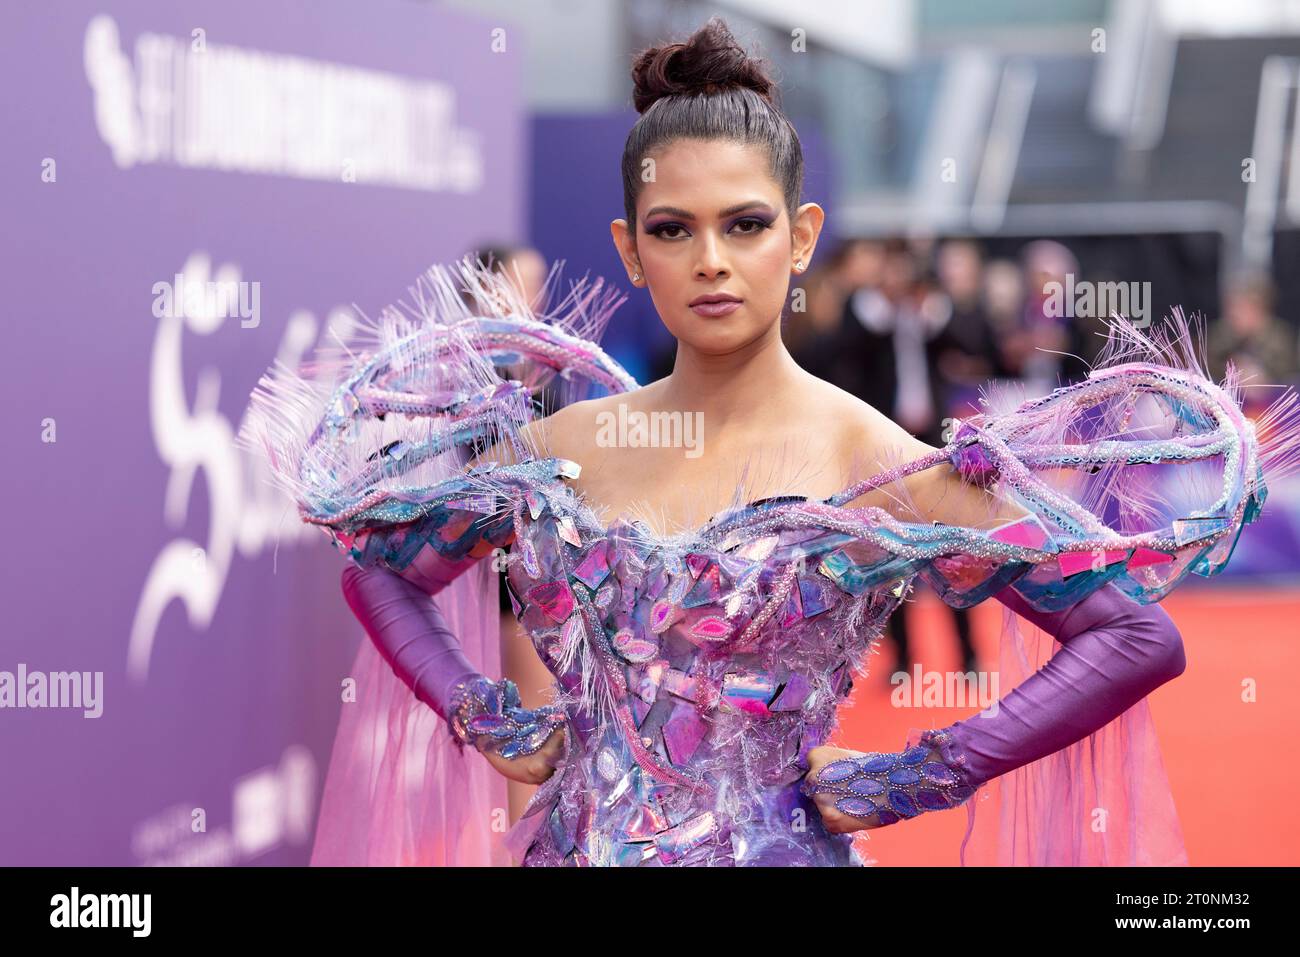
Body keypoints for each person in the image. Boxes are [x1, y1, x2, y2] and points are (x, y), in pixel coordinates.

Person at [240, 17, 1296, 866]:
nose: (710, 261)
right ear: (628, 249)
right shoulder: (559, 443)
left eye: (744, 225)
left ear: (799, 238)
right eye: (672, 230)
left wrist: (921, 772)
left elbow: (1134, 638)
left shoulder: (868, 455)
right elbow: (380, 577)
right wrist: (484, 714)